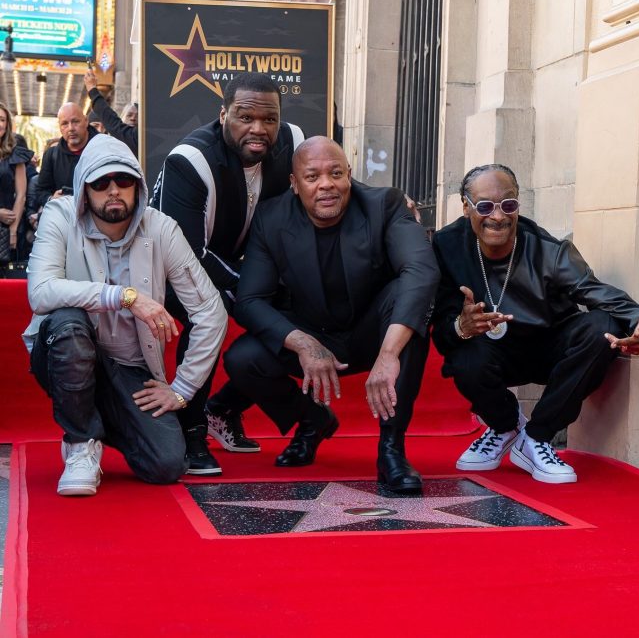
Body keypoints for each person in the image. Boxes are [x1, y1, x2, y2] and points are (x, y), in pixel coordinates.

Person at [217, 137, 440, 494]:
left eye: (336, 173)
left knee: (408, 310)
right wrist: (303, 343)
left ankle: (391, 451)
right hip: (312, 332)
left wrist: (388, 354)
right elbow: (250, 300)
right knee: (243, 358)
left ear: (349, 175)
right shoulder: (272, 219)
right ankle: (313, 419)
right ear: (294, 184)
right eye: (312, 176)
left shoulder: (385, 204)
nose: (326, 185)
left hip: (372, 333)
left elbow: (421, 270)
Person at [431, 163, 639, 484]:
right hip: (490, 352)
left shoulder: (548, 251)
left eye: (509, 204)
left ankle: (536, 437)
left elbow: (600, 294)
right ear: (466, 208)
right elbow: (442, 330)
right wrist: (461, 326)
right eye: (485, 206)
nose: (498, 216)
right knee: (463, 354)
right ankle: (504, 425)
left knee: (601, 327)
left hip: (549, 349)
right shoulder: (446, 247)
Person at [23, 134, 227, 496]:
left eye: (124, 180)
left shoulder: (162, 228)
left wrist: (181, 391)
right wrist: (126, 297)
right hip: (63, 351)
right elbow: (41, 292)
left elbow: (211, 311)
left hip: (130, 371)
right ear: (85, 188)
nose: (113, 190)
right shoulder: (59, 217)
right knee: (68, 321)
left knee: (166, 464)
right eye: (100, 182)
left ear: (138, 185)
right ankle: (81, 441)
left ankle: (95, 420)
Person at [152, 75, 304, 474]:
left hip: (231, 262)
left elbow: (328, 181)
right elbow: (188, 253)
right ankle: (190, 429)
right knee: (211, 312)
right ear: (223, 115)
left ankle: (224, 409)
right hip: (164, 266)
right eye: (245, 116)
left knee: (300, 319)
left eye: (268, 119)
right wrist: (249, 292)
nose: (258, 128)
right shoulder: (190, 159)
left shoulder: (292, 143)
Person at [35, 102, 99, 206]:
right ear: (59, 127)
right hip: (64, 218)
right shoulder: (52, 155)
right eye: (65, 123)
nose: (71, 128)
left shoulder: (103, 148)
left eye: (75, 121)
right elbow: (40, 191)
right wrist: (51, 198)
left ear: (86, 121)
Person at [0, 103, 32, 270]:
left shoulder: (16, 154)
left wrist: (12, 231)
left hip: (8, 228)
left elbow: (21, 195)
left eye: (2, 119)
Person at [84, 69, 137, 154]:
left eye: (138, 116)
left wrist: (92, 91)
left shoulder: (142, 138)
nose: (133, 119)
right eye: (129, 115)